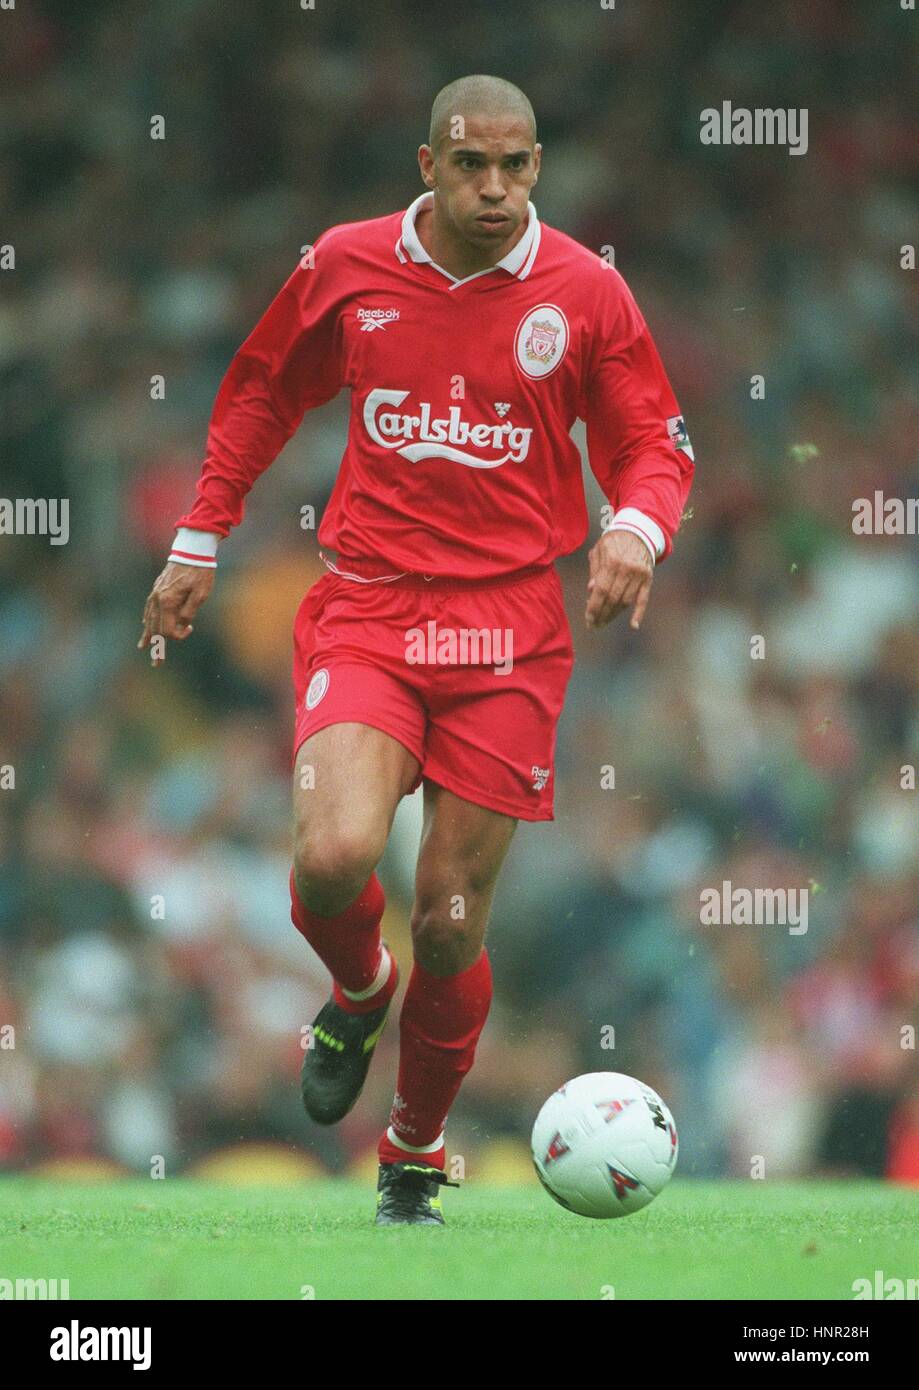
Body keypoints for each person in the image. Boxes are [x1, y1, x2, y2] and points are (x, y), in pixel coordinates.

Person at [138, 74, 694, 1224]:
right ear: (427, 164)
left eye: (516, 166)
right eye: (470, 165)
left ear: (537, 166)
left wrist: (634, 528)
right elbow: (258, 393)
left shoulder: (585, 291)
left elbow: (653, 438)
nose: (494, 189)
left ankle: (414, 1147)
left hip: (510, 628)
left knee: (447, 914)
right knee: (336, 857)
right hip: (372, 607)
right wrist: (199, 537)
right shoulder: (345, 264)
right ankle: (357, 988)